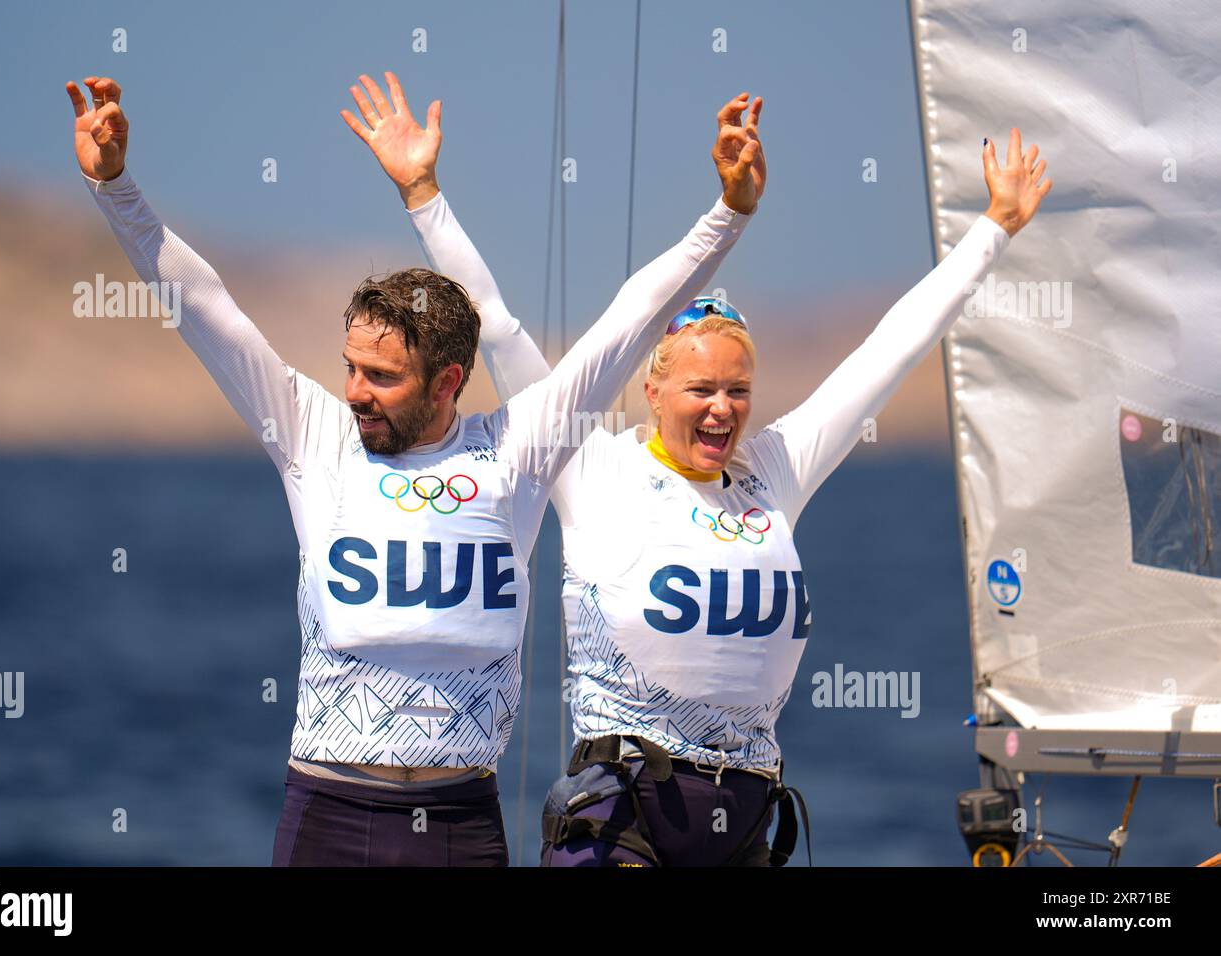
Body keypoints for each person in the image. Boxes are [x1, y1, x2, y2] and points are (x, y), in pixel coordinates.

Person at [64, 71, 763, 865]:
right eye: (351, 367)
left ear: (446, 383)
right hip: (327, 813)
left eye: (381, 377)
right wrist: (114, 185)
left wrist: (728, 215)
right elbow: (206, 306)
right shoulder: (312, 435)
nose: (355, 392)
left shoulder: (518, 452)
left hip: (462, 825)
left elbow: (628, 322)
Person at [370, 79, 1051, 865]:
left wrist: (993, 230)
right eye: (701, 390)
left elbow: (891, 349)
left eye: (738, 391)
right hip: (623, 816)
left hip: (745, 817)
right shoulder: (587, 463)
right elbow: (496, 323)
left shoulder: (776, 470)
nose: (722, 410)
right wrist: (422, 192)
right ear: (653, 389)